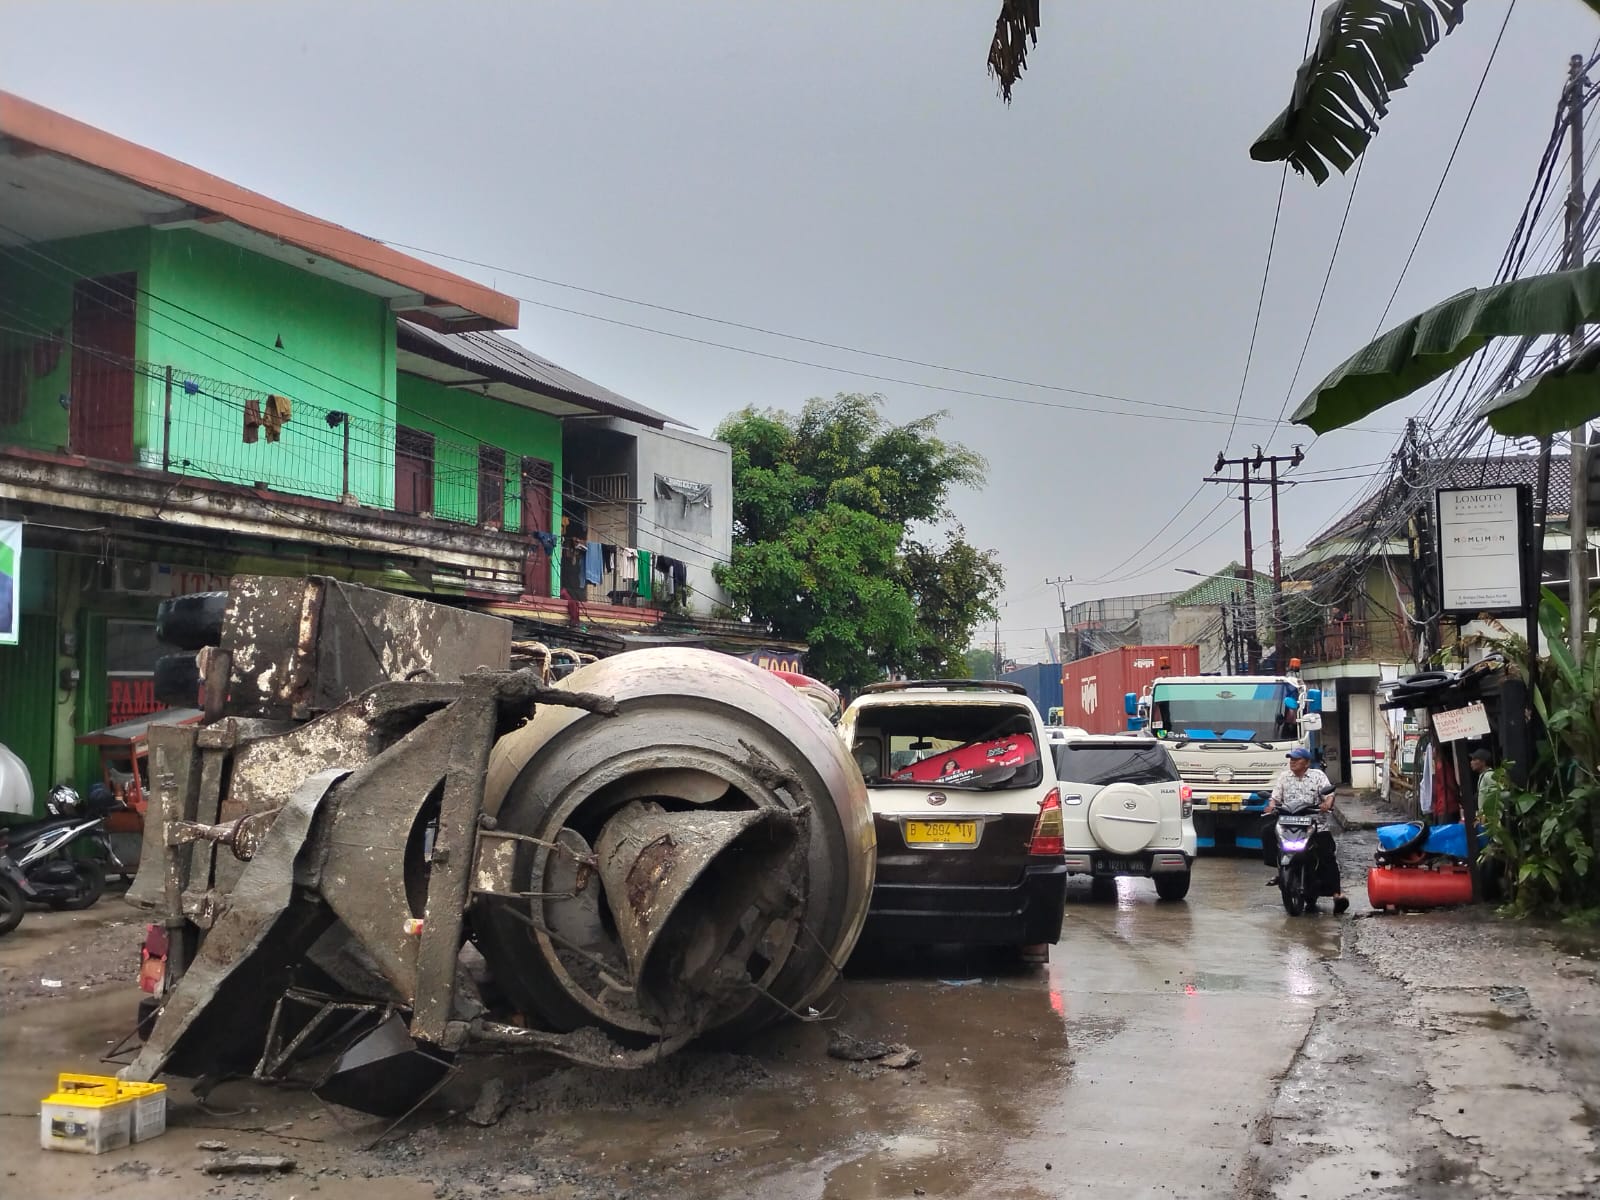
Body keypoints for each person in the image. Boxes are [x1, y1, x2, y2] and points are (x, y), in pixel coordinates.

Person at [1263, 747, 1349, 914]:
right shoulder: (1284, 777)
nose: (1292, 762)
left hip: (1314, 824)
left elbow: (1329, 794)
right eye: (1291, 759)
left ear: (1307, 763)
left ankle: (1337, 895)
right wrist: (1271, 807)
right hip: (1288, 824)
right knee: (1267, 831)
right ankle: (1280, 868)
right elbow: (1275, 798)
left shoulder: (1318, 776)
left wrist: (1327, 804)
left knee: (1327, 853)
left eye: (1297, 759)